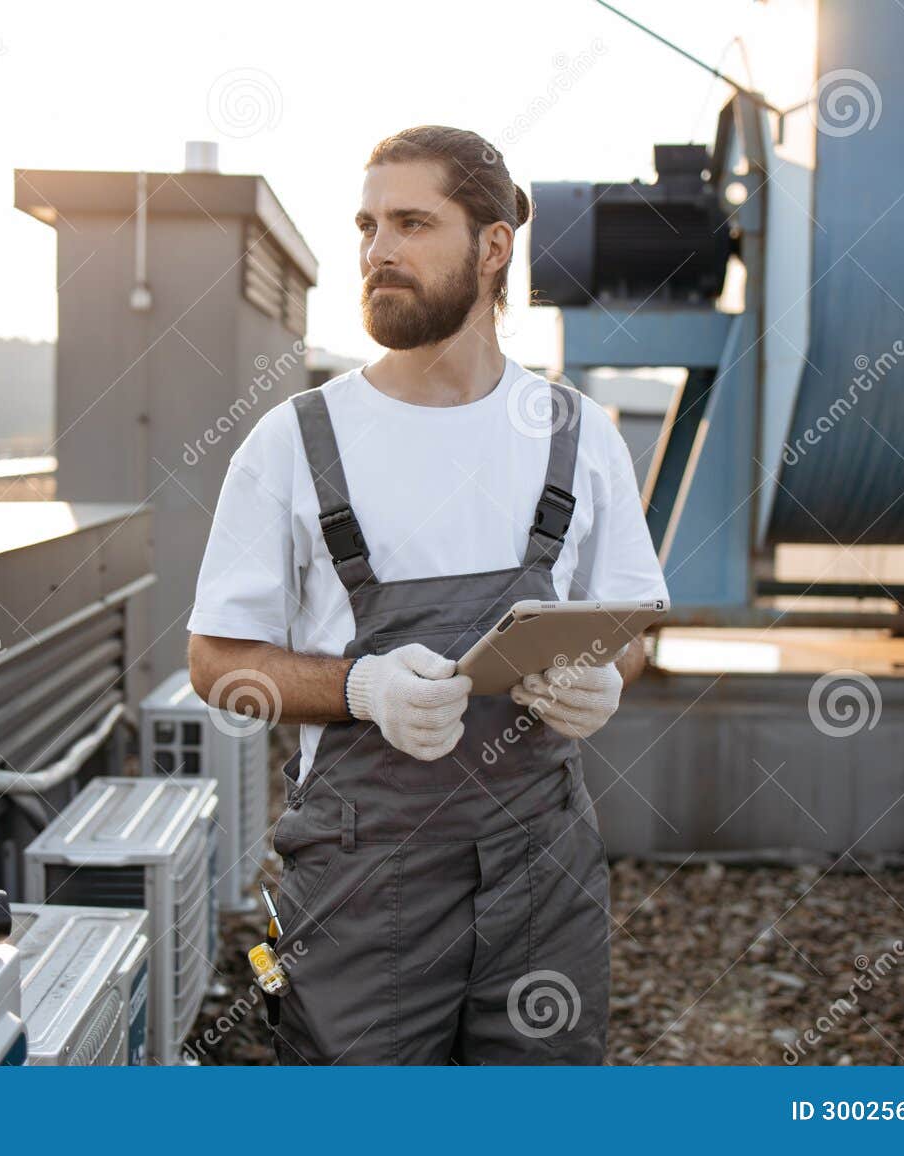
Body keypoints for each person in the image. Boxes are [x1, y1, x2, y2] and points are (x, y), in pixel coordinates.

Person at [187, 125, 668, 1064]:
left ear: (493, 247)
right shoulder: (293, 443)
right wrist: (361, 690)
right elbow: (217, 665)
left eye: (412, 222)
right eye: (367, 225)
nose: (377, 251)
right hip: (365, 879)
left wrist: (603, 676)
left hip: (543, 870)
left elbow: (632, 626)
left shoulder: (577, 434)